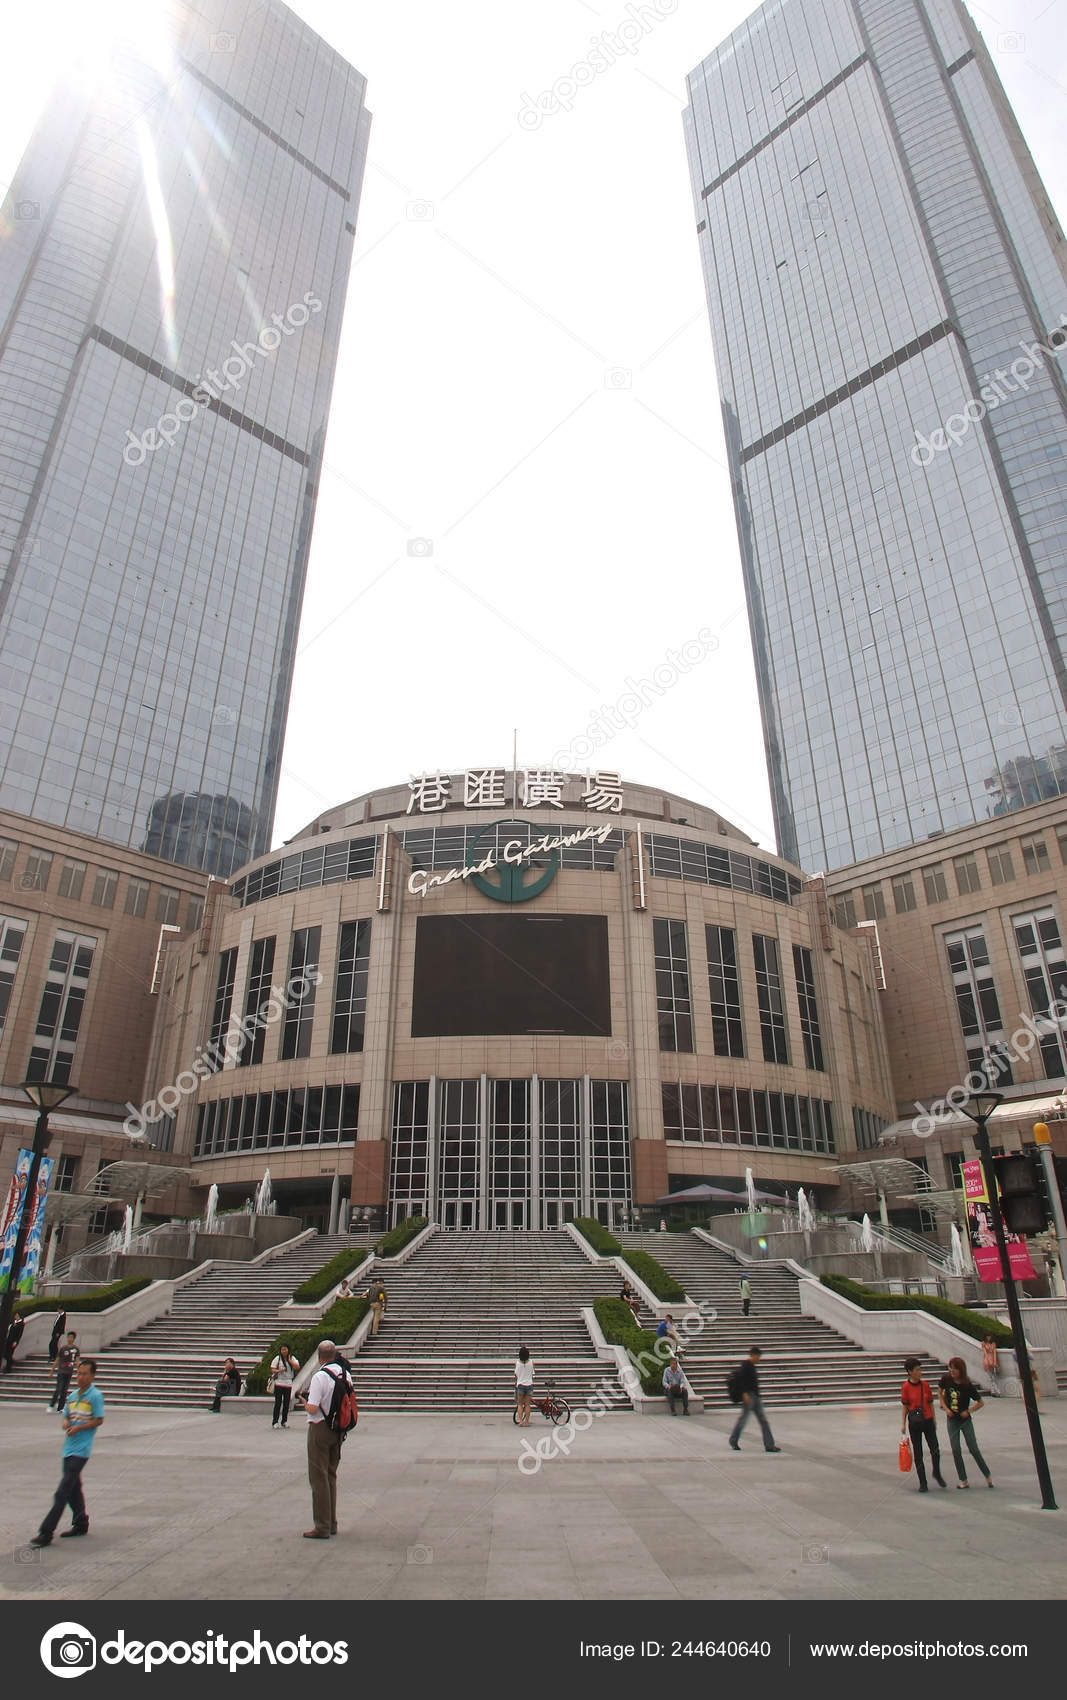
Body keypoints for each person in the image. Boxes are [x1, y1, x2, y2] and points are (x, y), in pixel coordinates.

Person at [29, 1357, 104, 1546]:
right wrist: (65, 1423)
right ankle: (81, 1522)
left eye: (85, 1374)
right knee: (74, 1489)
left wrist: (79, 1428)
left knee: (63, 1491)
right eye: (79, 1373)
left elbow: (99, 1419)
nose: (81, 1377)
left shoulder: (95, 1396)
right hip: (68, 1449)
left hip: (81, 1450)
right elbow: (66, 1415)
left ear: (92, 1376)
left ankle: (46, 1532)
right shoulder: (72, 1396)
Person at [298, 1339, 349, 1537]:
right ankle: (332, 1523)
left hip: (320, 1428)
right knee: (330, 1475)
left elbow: (313, 1407)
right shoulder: (345, 1373)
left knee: (318, 1477)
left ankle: (322, 1526)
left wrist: (304, 1401)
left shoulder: (320, 1376)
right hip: (338, 1430)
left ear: (319, 1357)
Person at [938, 1357, 993, 1489]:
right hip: (952, 1419)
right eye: (950, 1367)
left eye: (955, 1368)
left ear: (960, 1370)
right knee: (956, 1449)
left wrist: (969, 1411)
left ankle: (987, 1475)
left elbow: (980, 1402)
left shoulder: (967, 1385)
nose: (952, 1370)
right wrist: (945, 1408)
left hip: (965, 1420)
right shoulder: (946, 1379)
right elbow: (939, 1392)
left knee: (973, 1448)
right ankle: (963, 1479)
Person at [900, 1356, 946, 1492]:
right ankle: (923, 1482)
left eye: (920, 1369)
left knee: (935, 1449)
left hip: (927, 1420)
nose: (920, 1372)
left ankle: (936, 1472)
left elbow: (931, 1402)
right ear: (910, 1372)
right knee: (918, 1452)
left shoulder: (925, 1385)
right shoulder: (906, 1387)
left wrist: (934, 1419)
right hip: (915, 1423)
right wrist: (902, 1424)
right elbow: (905, 1406)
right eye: (917, 1370)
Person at [728, 1346, 781, 1452]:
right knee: (743, 1420)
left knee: (763, 1420)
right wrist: (744, 1394)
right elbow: (741, 1380)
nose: (759, 1359)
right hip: (749, 1397)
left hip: (755, 1397)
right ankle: (733, 1440)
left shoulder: (751, 1366)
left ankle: (769, 1445)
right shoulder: (746, 1365)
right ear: (753, 1355)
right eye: (758, 1356)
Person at [269, 1345, 299, 1428]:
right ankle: (275, 1421)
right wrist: (279, 1370)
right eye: (282, 1349)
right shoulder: (277, 1358)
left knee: (286, 1403)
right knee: (278, 1402)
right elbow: (272, 1368)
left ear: (288, 1350)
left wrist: (290, 1361)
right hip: (279, 1383)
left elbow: (297, 1367)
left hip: (288, 1383)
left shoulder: (292, 1358)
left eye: (285, 1349)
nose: (284, 1351)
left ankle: (284, 1421)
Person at [48, 1332, 79, 1411]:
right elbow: (57, 1360)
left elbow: (77, 1361)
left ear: (74, 1339)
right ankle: (51, 1405)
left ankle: (60, 1407)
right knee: (59, 1388)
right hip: (61, 1371)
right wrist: (52, 1370)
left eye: (71, 1338)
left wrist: (78, 1372)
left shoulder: (76, 1349)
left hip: (69, 1371)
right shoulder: (63, 1348)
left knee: (64, 1390)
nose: (70, 1339)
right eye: (69, 1337)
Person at [514, 1345, 535, 1425]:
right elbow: (533, 1373)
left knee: (520, 1404)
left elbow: (515, 1375)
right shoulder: (531, 1362)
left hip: (520, 1385)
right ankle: (527, 1421)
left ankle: (521, 1421)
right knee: (527, 1405)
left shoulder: (517, 1363)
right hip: (529, 1385)